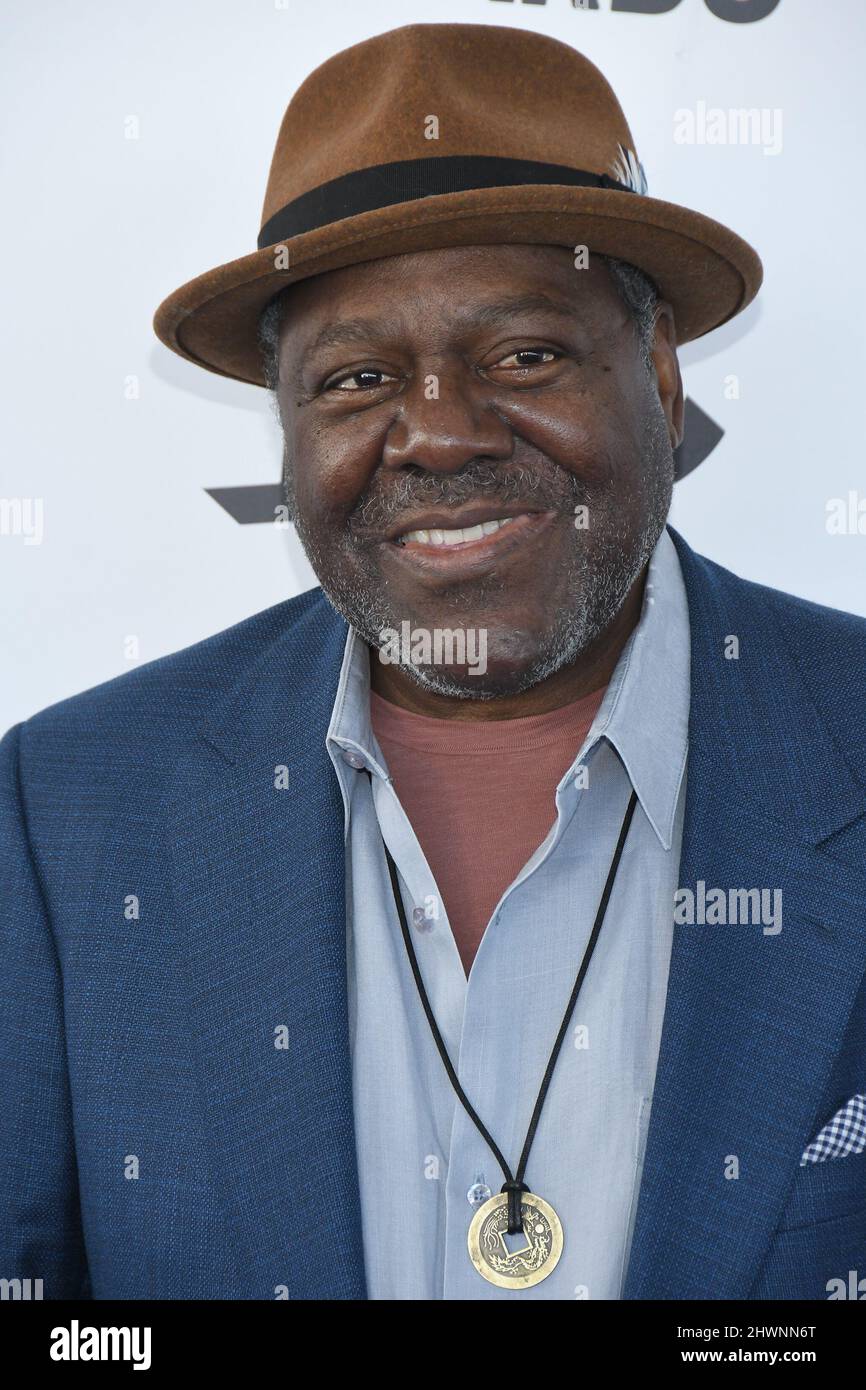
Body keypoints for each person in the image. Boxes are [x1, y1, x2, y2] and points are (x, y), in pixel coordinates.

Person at [2, 23, 864, 1302]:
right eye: (355, 379)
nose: (440, 434)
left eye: (523, 355)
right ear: (289, 436)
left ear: (663, 381)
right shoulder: (65, 807)